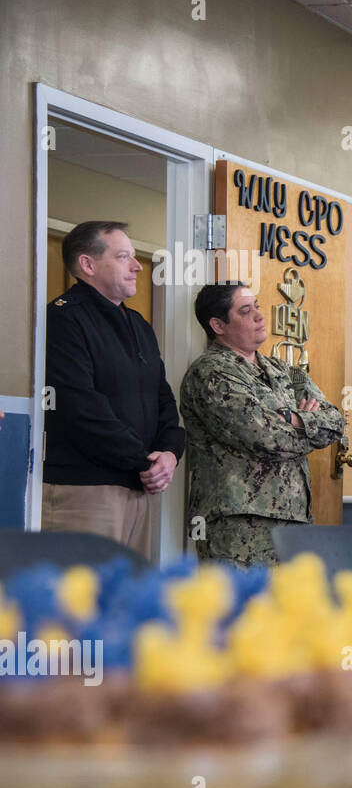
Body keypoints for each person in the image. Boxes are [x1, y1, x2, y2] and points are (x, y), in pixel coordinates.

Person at [42, 220, 186, 559]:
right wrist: (144, 461)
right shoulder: (64, 319)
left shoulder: (139, 325)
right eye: (124, 257)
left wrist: (169, 453)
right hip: (85, 490)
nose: (138, 266)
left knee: (129, 603)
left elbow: (163, 398)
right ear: (87, 265)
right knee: (81, 605)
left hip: (140, 488)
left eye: (135, 256)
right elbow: (79, 406)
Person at [179, 282, 345, 566]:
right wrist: (301, 421)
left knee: (286, 609)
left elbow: (335, 420)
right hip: (238, 525)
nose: (259, 315)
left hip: (294, 520)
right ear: (218, 325)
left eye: (256, 306)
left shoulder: (280, 369)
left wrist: (291, 419)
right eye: (245, 310)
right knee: (241, 609)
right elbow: (266, 437)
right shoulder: (211, 372)